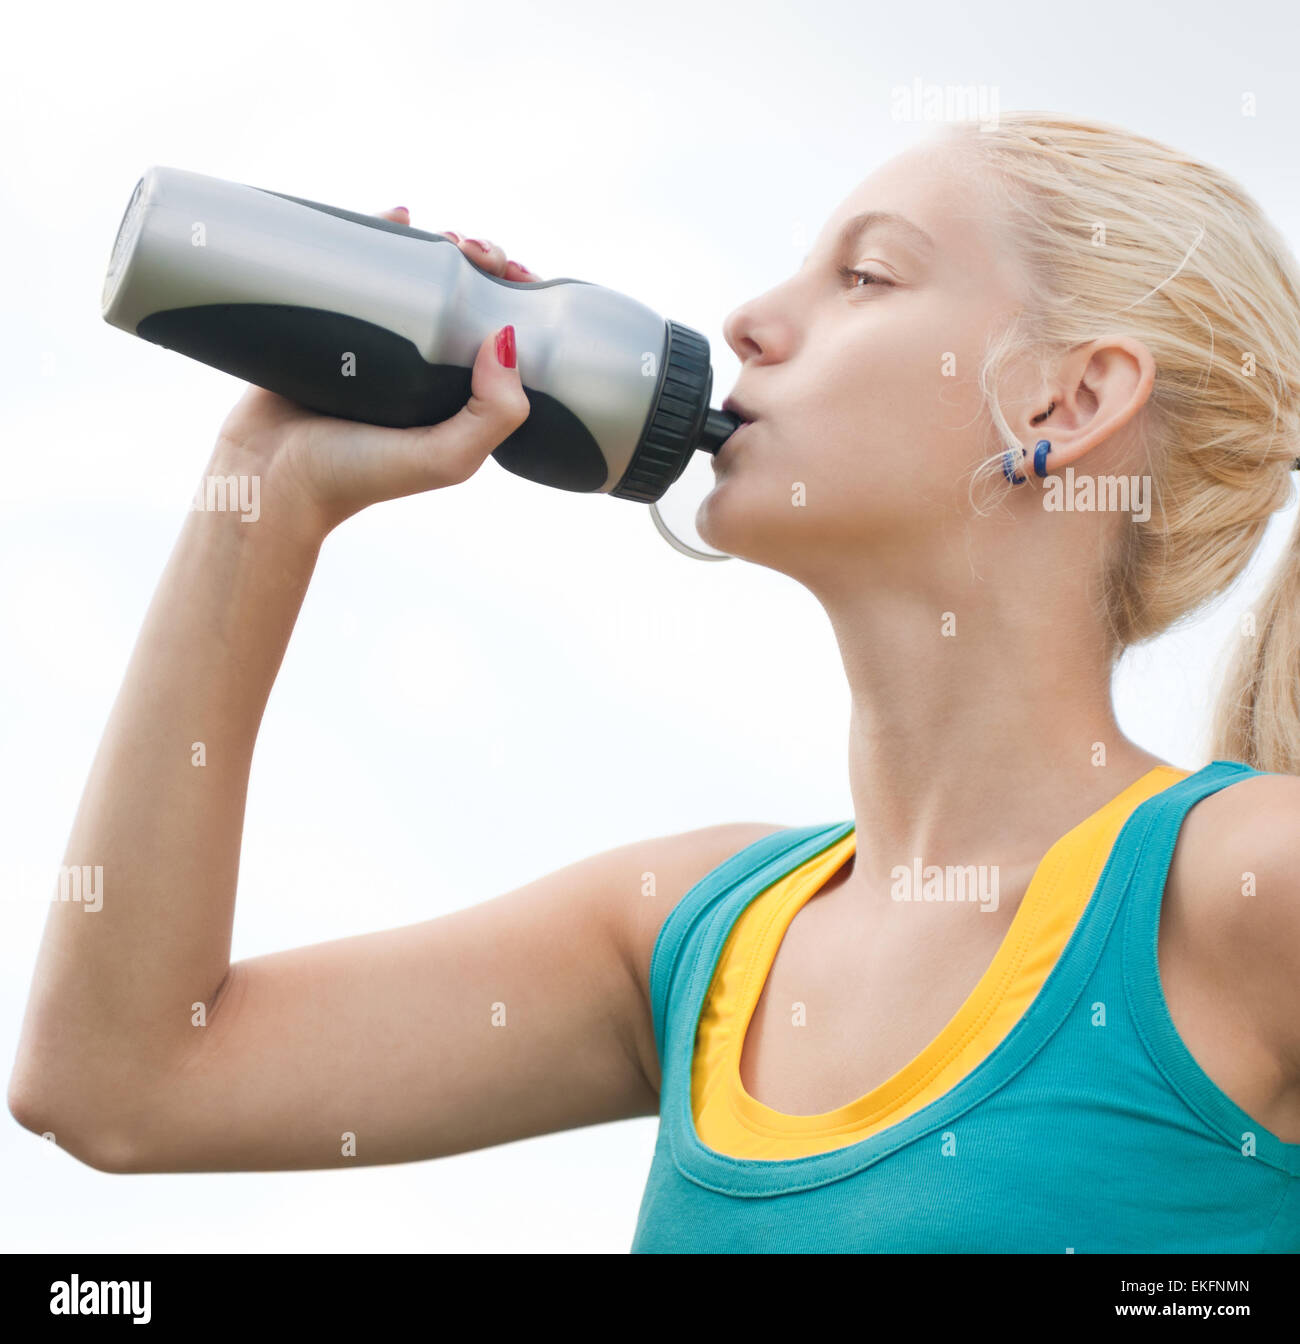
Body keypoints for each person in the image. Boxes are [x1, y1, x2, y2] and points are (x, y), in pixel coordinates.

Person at [9, 112, 1300, 1252]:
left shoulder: (1243, 890)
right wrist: (267, 488)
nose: (747, 321)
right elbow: (118, 1083)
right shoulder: (691, 937)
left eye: (865, 274)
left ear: (1069, 403)